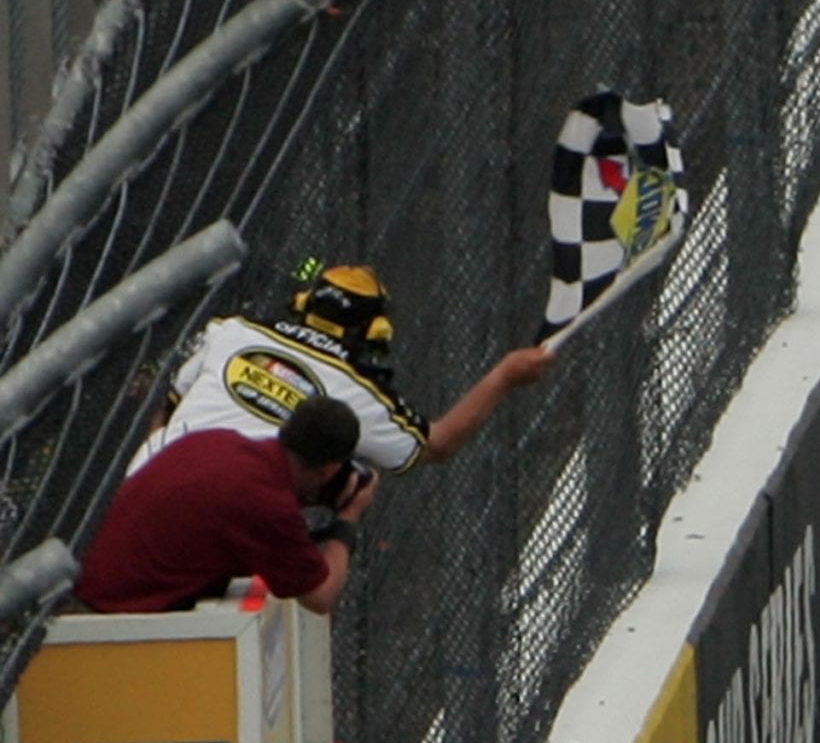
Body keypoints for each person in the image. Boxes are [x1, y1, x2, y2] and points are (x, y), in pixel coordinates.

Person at [128, 262, 553, 476]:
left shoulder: (231, 330)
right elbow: (435, 444)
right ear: (374, 330)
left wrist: (154, 466)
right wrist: (504, 376)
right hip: (235, 519)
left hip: (146, 484)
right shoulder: (360, 390)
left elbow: (166, 410)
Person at [75, 396, 378, 616]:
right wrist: (347, 518)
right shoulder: (266, 503)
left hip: (79, 585)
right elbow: (320, 596)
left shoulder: (218, 441)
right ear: (328, 470)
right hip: (104, 618)